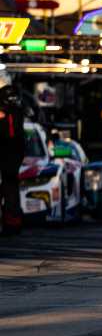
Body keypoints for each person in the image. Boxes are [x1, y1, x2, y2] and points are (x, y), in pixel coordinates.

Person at [0, 73, 25, 235]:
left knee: (10, 189)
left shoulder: (15, 113)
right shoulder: (16, 112)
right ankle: (11, 222)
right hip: (12, 155)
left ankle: (12, 223)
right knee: (11, 190)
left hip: (11, 156)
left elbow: (14, 135)